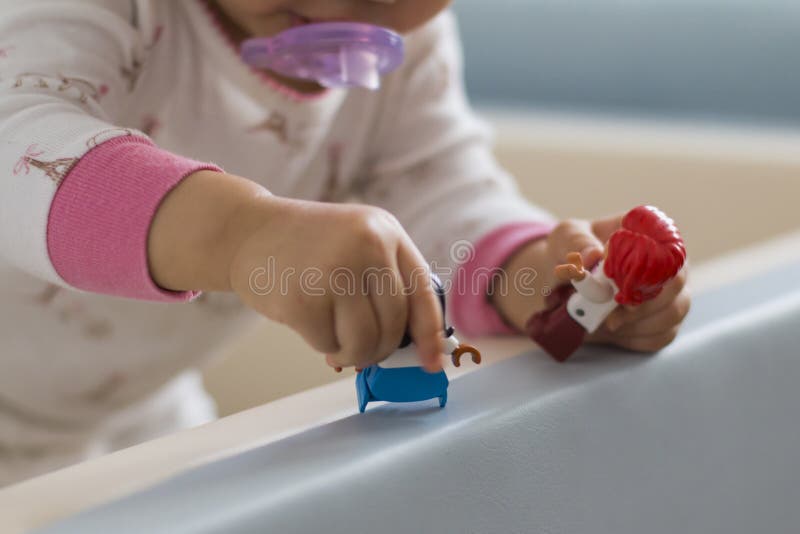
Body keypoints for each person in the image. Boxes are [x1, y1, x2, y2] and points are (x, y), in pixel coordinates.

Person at [0, 0, 690, 486]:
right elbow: (17, 146)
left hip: (138, 415)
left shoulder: (403, 47)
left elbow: (443, 193)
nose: (342, 7)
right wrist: (244, 233)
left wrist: (539, 277)